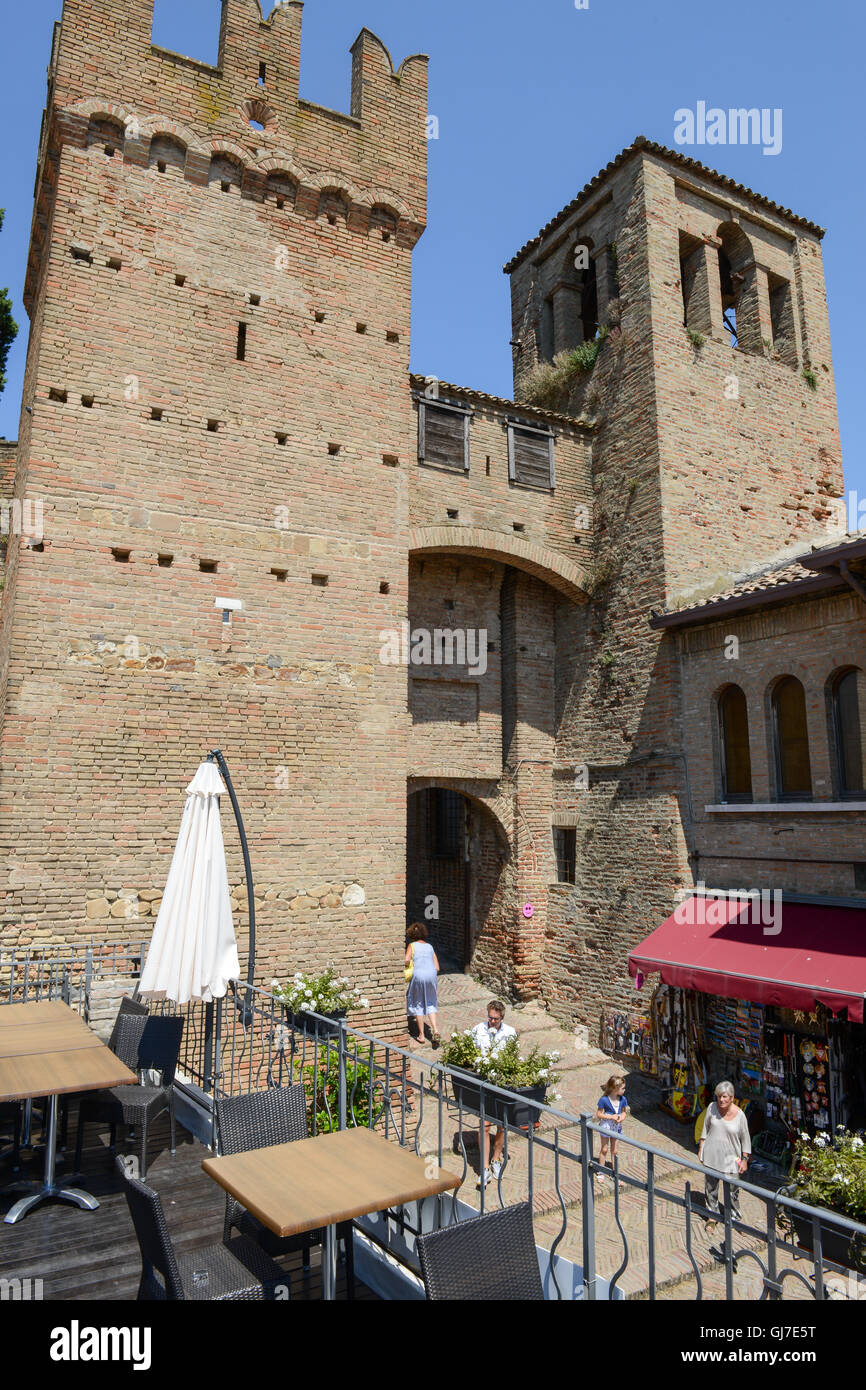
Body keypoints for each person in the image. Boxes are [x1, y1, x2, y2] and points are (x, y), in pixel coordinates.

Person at [470, 1000, 517, 1189]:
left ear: (502, 1018)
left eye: (495, 1019)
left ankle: (496, 1159)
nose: (492, 1021)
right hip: (484, 1082)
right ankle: (484, 1167)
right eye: (490, 1017)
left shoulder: (510, 1033)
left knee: (502, 1125)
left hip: (502, 1082)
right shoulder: (478, 1029)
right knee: (484, 1124)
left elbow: (512, 1056)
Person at [698, 1080, 751, 1227]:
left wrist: (745, 1159)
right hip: (712, 1154)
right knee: (710, 1188)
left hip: (731, 1159)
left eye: (725, 1097)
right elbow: (705, 1128)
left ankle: (734, 1216)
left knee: (733, 1190)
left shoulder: (740, 1116)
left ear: (732, 1098)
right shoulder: (711, 1108)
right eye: (719, 1096)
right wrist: (701, 1147)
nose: (721, 1100)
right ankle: (712, 1215)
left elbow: (745, 1139)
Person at [405, 922, 440, 1047]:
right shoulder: (430, 947)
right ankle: (435, 1031)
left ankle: (421, 1035)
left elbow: (407, 960)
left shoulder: (412, 945)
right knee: (430, 1002)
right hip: (431, 976)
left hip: (419, 976)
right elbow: (437, 967)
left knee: (418, 1003)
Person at [595, 1073, 628, 1180]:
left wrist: (621, 1118)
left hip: (616, 1127)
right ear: (615, 1089)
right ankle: (601, 1171)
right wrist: (610, 1117)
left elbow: (624, 1112)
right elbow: (599, 1114)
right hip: (606, 1126)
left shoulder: (623, 1099)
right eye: (623, 1088)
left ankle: (615, 1173)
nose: (624, 1090)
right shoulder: (604, 1100)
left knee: (615, 1151)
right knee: (604, 1149)